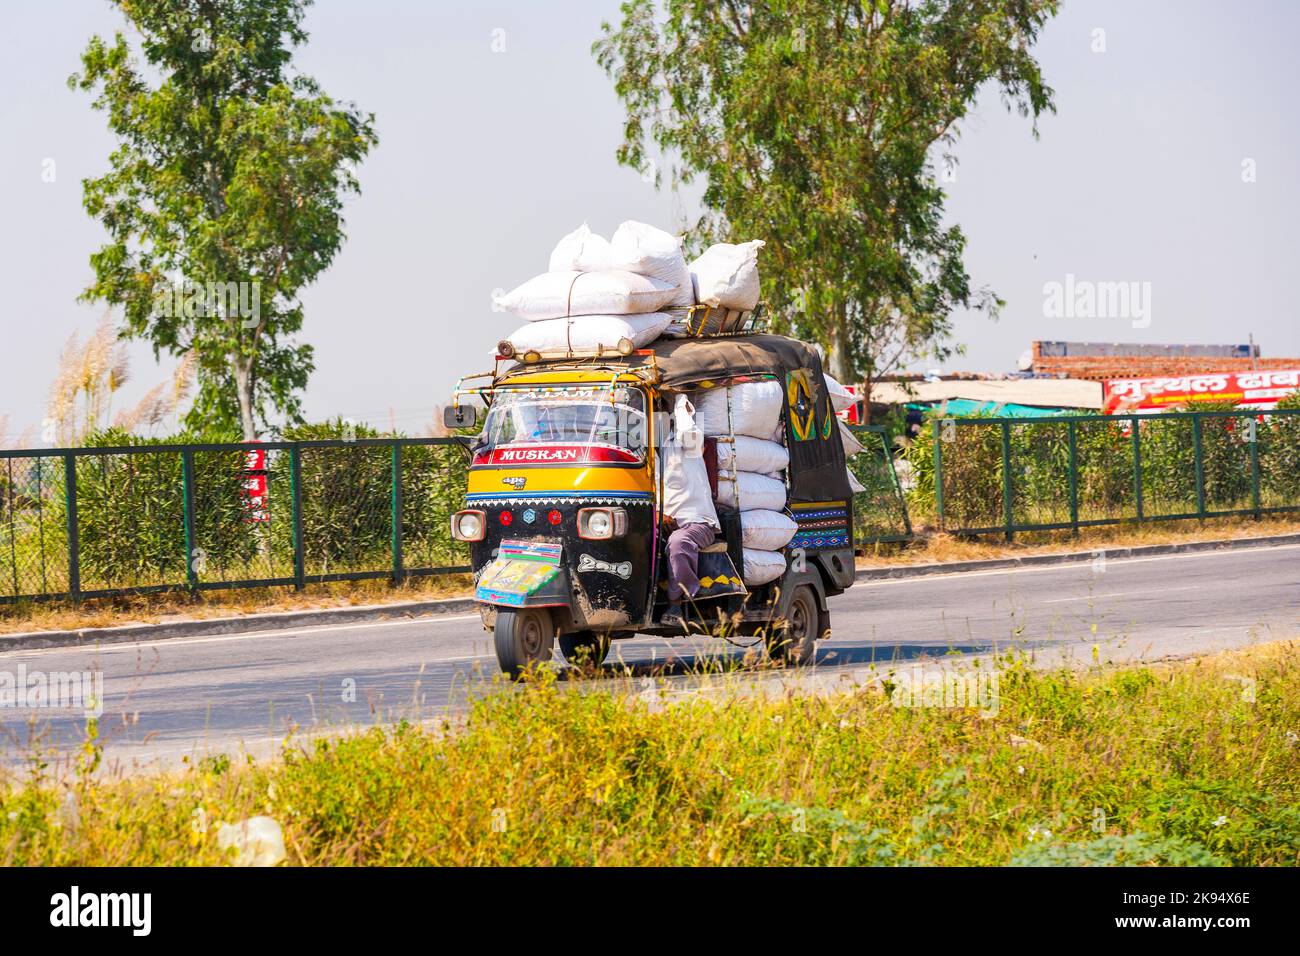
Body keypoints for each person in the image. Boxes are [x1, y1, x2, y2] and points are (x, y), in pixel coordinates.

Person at [657, 393, 720, 627]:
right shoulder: (653, 450)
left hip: (697, 522)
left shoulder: (690, 445)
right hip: (664, 523)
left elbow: (689, 434)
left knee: (678, 543)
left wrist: (680, 400)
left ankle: (678, 602)